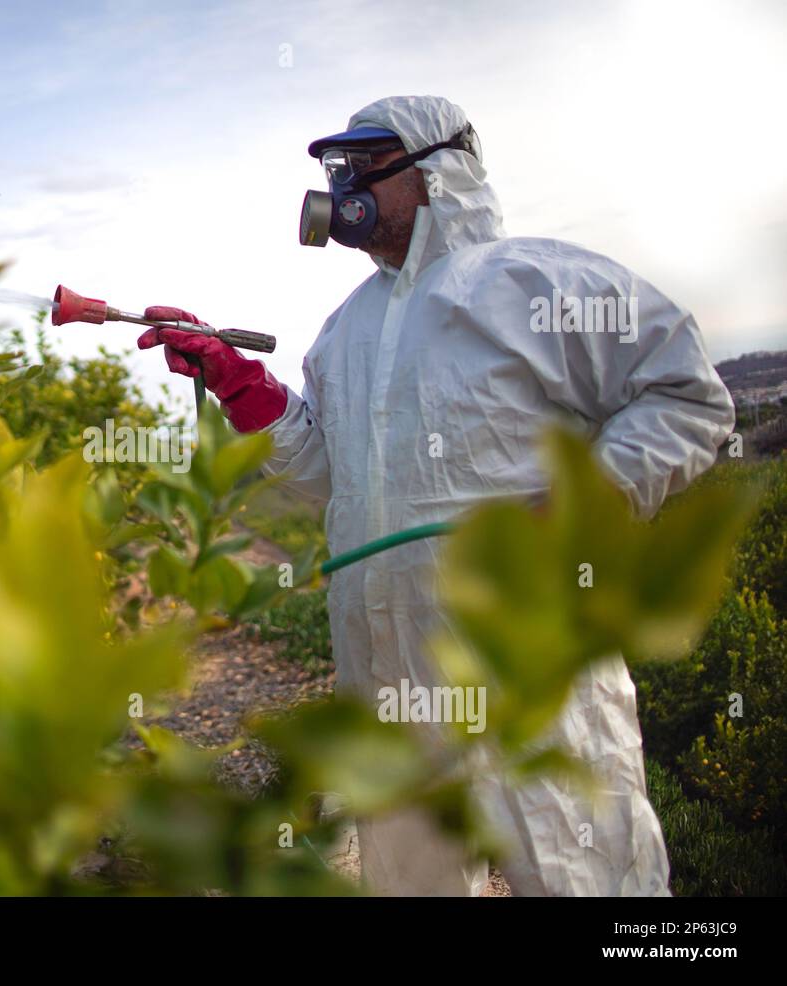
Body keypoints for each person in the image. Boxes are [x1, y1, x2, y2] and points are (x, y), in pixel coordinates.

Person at [138, 94, 735, 896]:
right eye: (333, 169)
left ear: (436, 173)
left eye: (359, 166)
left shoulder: (539, 282)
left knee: (579, 874)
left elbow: (687, 396)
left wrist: (587, 500)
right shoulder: (341, 332)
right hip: (385, 684)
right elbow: (331, 479)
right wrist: (241, 382)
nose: (340, 185)